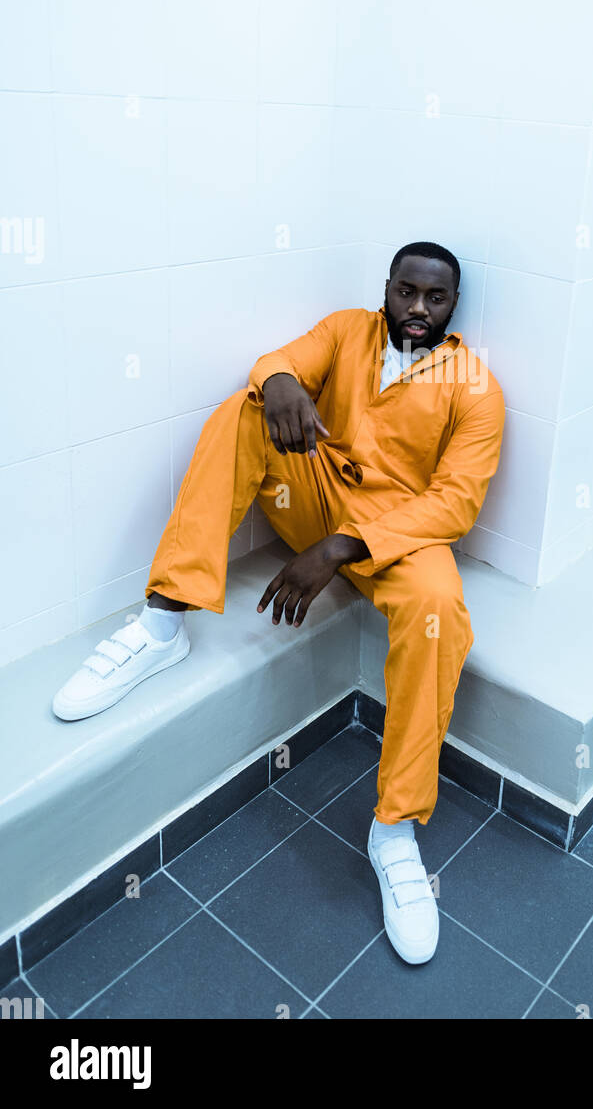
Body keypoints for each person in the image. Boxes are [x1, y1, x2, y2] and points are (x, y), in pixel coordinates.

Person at [52, 241, 505, 965]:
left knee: (439, 613)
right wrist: (285, 381)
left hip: (394, 539)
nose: (418, 309)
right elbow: (276, 361)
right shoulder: (346, 329)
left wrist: (339, 548)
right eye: (407, 292)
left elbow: (452, 506)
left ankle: (393, 831)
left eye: (436, 298)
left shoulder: (474, 385)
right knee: (244, 408)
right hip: (318, 497)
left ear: (455, 306)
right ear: (385, 289)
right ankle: (164, 623)